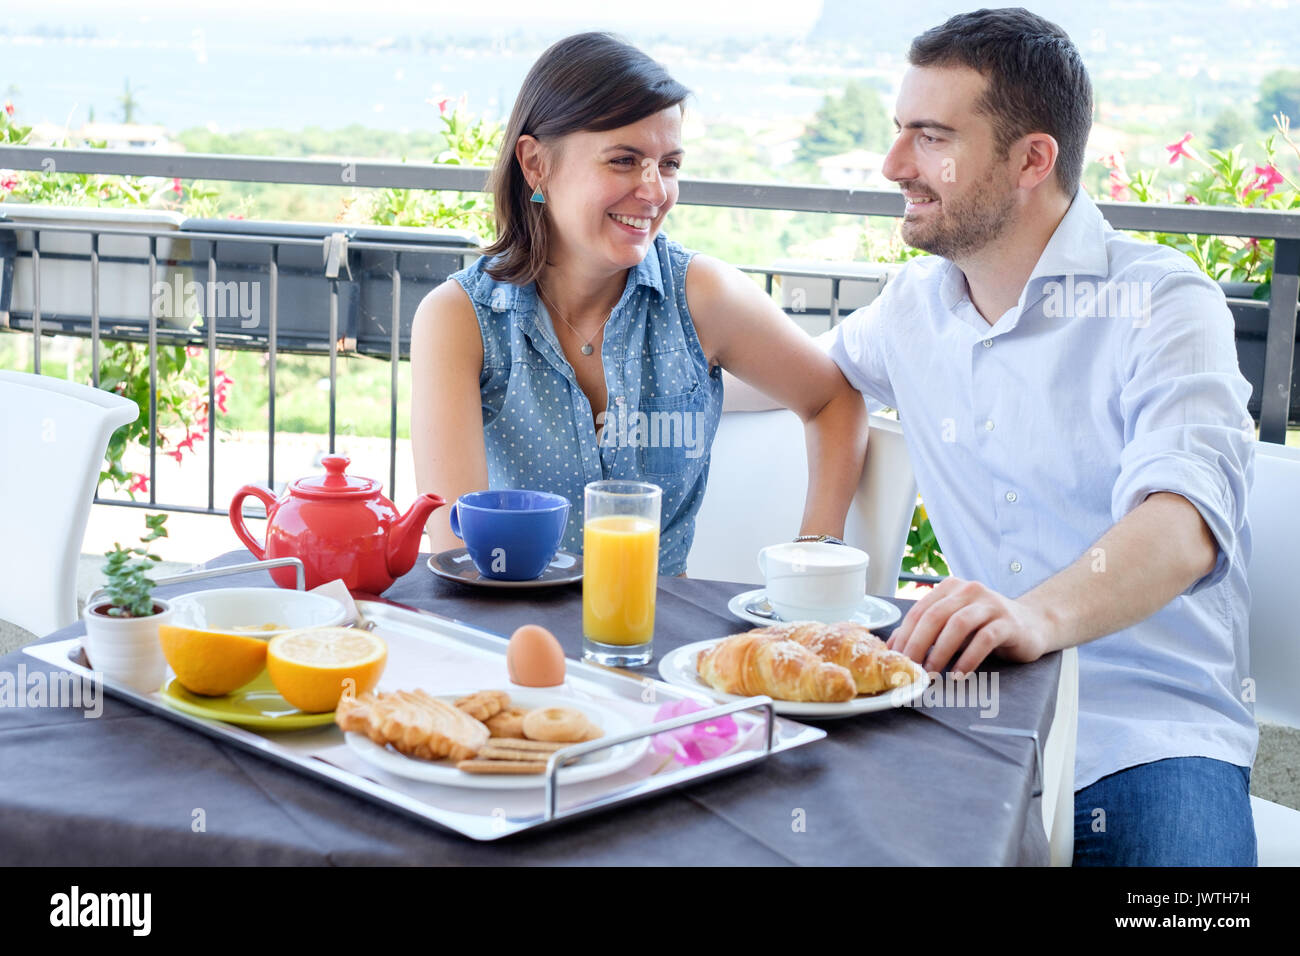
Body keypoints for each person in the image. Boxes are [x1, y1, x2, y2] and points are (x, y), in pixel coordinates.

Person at [825, 9, 1257, 865]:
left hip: (1148, 730)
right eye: (898, 131)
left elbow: (1183, 524)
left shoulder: (1167, 304)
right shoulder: (910, 309)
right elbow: (794, 375)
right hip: (969, 711)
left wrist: (1034, 614)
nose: (893, 165)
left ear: (1032, 159)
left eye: (931, 136)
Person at [410, 33, 867, 576]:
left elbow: (833, 400)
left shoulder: (702, 297)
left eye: (668, 164)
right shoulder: (460, 318)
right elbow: (459, 554)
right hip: (511, 632)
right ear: (535, 165)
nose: (654, 192)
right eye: (624, 161)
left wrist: (814, 557)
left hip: (660, 638)